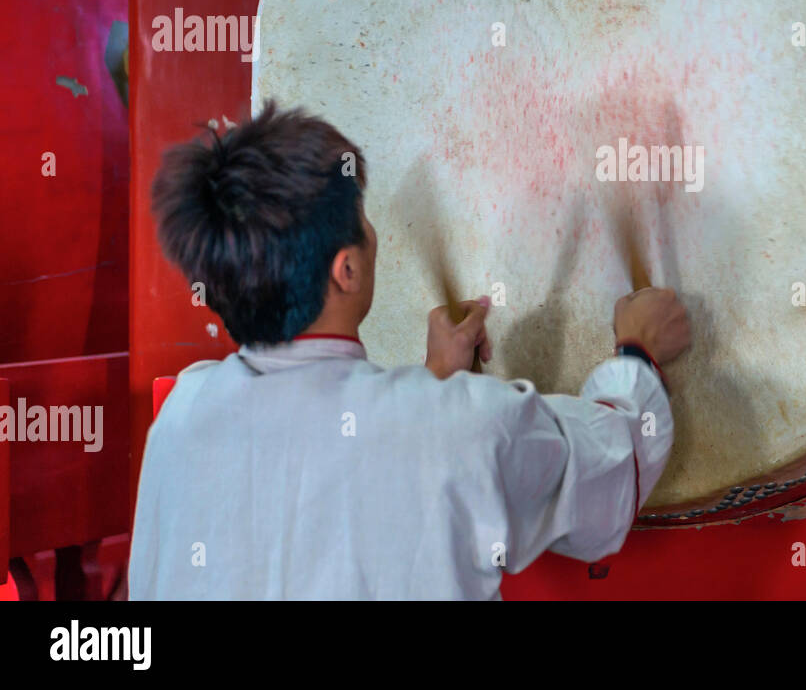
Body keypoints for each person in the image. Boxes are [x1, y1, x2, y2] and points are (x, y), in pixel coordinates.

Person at [128, 103, 690, 599]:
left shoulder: (183, 416)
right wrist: (638, 352)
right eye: (362, 221)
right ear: (345, 270)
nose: (373, 234)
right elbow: (616, 466)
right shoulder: (461, 426)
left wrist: (434, 377)